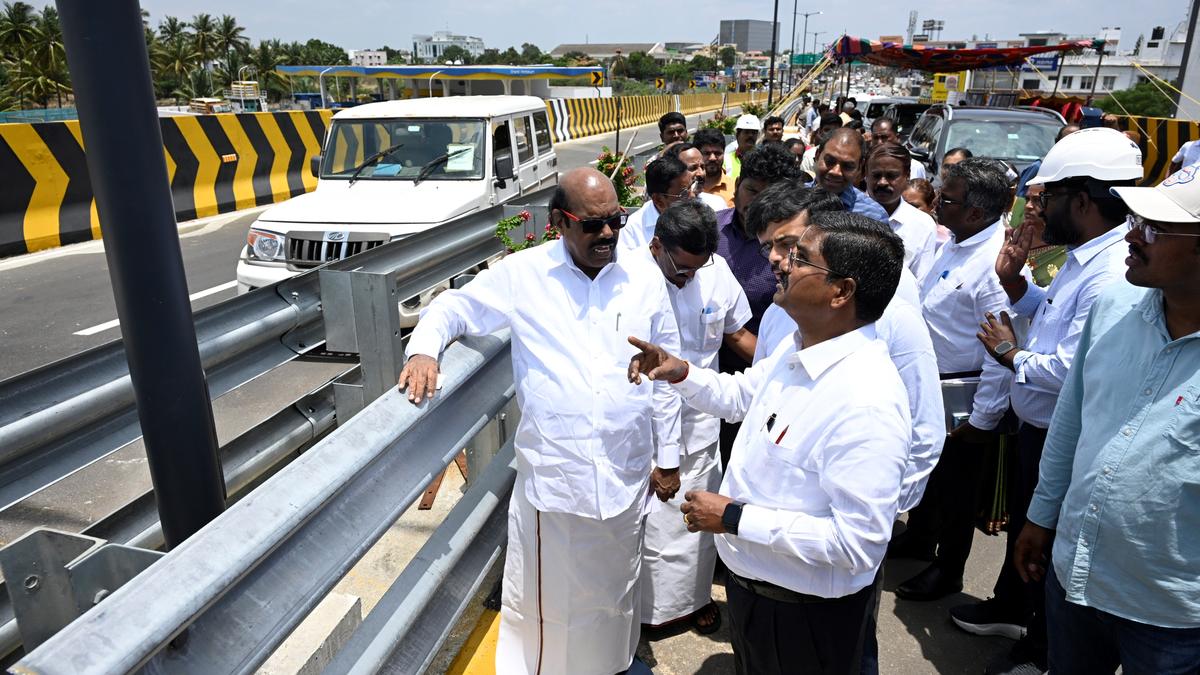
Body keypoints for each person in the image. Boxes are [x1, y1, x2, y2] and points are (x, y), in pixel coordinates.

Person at [399, 167, 684, 675]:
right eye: (592, 224)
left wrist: (668, 458)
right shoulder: (524, 275)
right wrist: (424, 350)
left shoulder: (644, 278)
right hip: (557, 477)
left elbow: (666, 372)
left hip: (624, 474)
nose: (608, 235)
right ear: (558, 221)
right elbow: (454, 306)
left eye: (615, 221)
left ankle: (610, 667)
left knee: (615, 589)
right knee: (548, 601)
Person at [627, 209, 913, 675]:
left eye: (801, 259)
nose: (781, 264)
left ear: (841, 291)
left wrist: (735, 518)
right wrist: (680, 371)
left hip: (802, 613)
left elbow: (857, 543)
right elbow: (741, 395)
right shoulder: (800, 346)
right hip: (757, 591)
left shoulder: (866, 399)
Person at [954, 128, 1144, 675]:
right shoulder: (1089, 258)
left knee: (1045, 547)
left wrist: (1011, 357)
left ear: (1081, 201)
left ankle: (1040, 651)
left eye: (1048, 199)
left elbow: (1069, 370)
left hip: (1059, 430)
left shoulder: (1111, 272)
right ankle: (1019, 619)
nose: (1038, 210)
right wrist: (1015, 284)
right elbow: (1053, 321)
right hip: (1038, 428)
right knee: (1028, 534)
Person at [748, 184, 946, 675]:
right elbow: (753, 393)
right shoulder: (790, 318)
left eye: (796, 251)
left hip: (816, 584)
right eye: (773, 248)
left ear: (841, 289)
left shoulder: (875, 374)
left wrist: (876, 504)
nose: (780, 261)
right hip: (768, 570)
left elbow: (924, 430)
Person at [1014, 166, 1200, 674]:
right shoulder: (1115, 303)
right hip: (1074, 575)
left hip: (1172, 617)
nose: (1132, 235)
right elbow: (1071, 421)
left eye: (1155, 228)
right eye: (1137, 219)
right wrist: (1041, 515)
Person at [892, 158, 1014, 602]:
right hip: (932, 385)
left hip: (965, 393)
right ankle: (921, 539)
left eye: (948, 198)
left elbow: (1001, 348)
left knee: (958, 490)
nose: (938, 202)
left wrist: (983, 419)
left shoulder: (992, 262)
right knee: (930, 474)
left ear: (977, 212)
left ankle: (949, 569)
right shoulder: (956, 242)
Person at [637, 200, 754, 635]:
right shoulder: (631, 280)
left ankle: (693, 601)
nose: (690, 278)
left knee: (696, 527)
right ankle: (647, 614)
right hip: (645, 430)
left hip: (703, 423)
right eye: (682, 269)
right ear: (656, 246)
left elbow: (737, 333)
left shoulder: (715, 271)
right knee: (649, 531)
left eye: (697, 269)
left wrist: (784, 375)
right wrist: (665, 458)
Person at [713, 143, 804, 467]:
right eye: (751, 189)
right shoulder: (711, 230)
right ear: (737, 186)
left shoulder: (799, 250)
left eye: (769, 193)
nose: (756, 201)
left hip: (771, 376)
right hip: (711, 374)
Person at [866, 142, 939, 281]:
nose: (882, 182)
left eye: (891, 176)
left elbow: (921, 281)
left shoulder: (923, 225)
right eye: (876, 175)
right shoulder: (849, 212)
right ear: (866, 175)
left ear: (907, 176)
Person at [812, 128, 890, 224]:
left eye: (847, 166)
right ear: (817, 155)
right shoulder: (791, 198)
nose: (836, 172)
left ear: (859, 167)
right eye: (830, 161)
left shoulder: (874, 216)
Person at [621, 155, 693, 253]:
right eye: (684, 193)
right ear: (658, 200)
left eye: (691, 187)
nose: (692, 195)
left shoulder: (698, 214)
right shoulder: (631, 231)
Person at [663, 142, 732, 212]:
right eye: (693, 168)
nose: (701, 173)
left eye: (702, 167)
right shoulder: (656, 212)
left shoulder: (717, 205)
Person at [1015, 124, 1081, 197]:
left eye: (1077, 141)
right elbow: (1020, 198)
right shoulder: (1039, 167)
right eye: (1066, 141)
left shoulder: (1085, 169)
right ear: (1057, 141)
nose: (1072, 145)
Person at [694, 128, 735, 207]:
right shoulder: (687, 188)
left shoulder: (734, 188)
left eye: (717, 153)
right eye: (706, 153)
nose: (712, 158)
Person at [801, 112, 844, 176]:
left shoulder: (846, 156)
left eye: (835, 131)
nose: (831, 134)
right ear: (820, 131)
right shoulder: (809, 157)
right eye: (827, 130)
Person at [724, 114, 761, 181]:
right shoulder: (726, 160)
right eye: (746, 132)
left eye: (754, 132)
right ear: (737, 135)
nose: (750, 136)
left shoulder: (762, 160)